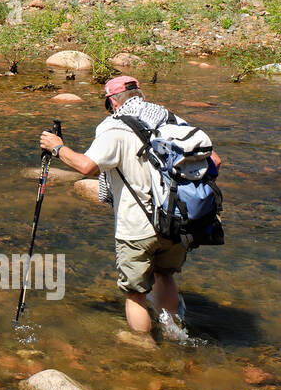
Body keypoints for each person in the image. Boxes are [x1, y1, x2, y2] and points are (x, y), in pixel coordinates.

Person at [40, 76, 217, 339]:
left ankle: (144, 350)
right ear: (140, 95)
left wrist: (58, 148)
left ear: (112, 102)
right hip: (177, 220)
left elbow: (87, 166)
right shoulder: (169, 118)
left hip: (136, 225)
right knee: (165, 275)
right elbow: (215, 160)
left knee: (135, 293)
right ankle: (174, 334)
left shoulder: (113, 127)